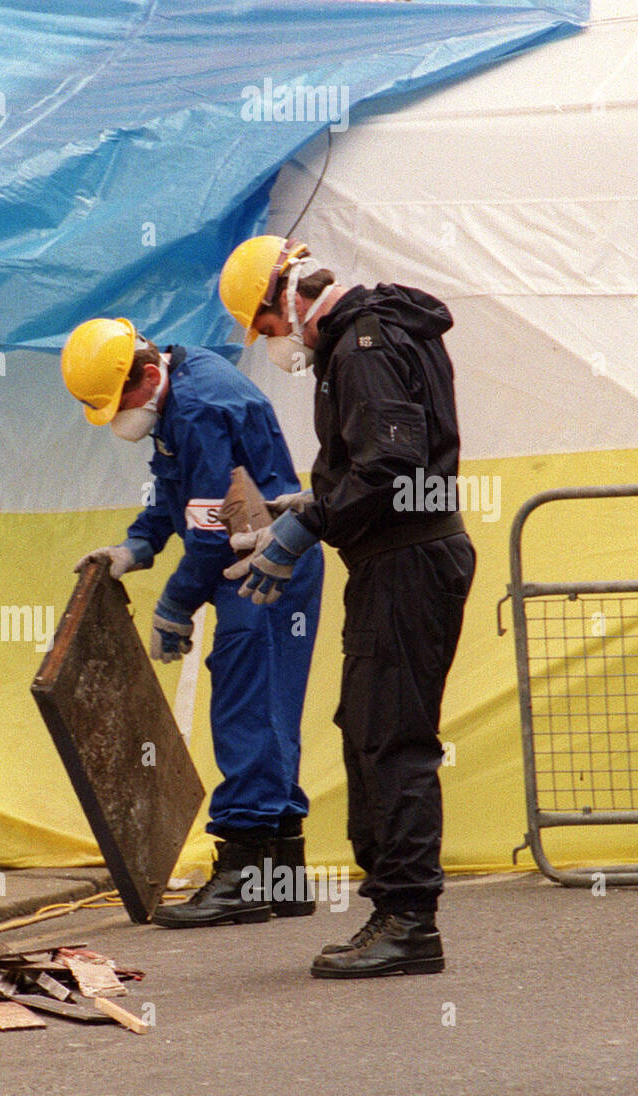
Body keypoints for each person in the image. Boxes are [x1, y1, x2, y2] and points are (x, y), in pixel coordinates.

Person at [219, 235, 475, 978]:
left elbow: (394, 463)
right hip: (404, 558)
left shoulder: (359, 346)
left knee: (390, 736)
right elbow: (392, 455)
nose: (271, 342)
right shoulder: (378, 332)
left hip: (406, 562)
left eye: (265, 327)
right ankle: (392, 910)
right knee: (368, 725)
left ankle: (408, 921)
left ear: (289, 296)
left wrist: (307, 527)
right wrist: (319, 499)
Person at [61, 317, 323, 926]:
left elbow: (207, 535)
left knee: (247, 714)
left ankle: (245, 878)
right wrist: (134, 547)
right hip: (269, 562)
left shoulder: (200, 405)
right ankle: (282, 877)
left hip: (255, 569)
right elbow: (170, 491)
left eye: (118, 401)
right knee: (270, 716)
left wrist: (174, 605)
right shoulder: (182, 385)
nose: (117, 419)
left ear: (148, 374)